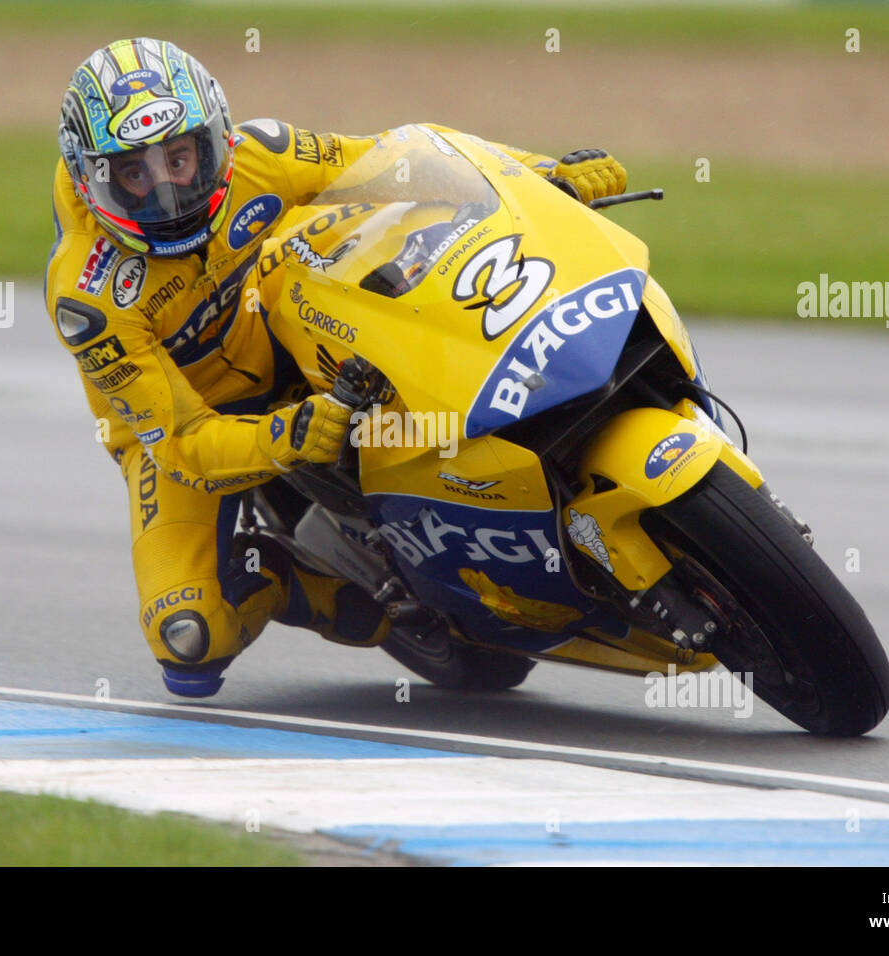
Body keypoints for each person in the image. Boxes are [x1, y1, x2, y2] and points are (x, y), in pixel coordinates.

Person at [46, 37, 629, 697]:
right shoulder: (89, 296)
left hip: (290, 339)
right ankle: (305, 578)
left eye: (179, 159)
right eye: (134, 175)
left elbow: (400, 160)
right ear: (92, 175)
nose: (167, 192)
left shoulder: (259, 155)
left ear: (214, 140)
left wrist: (543, 176)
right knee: (189, 638)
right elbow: (183, 445)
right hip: (192, 426)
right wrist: (285, 437)